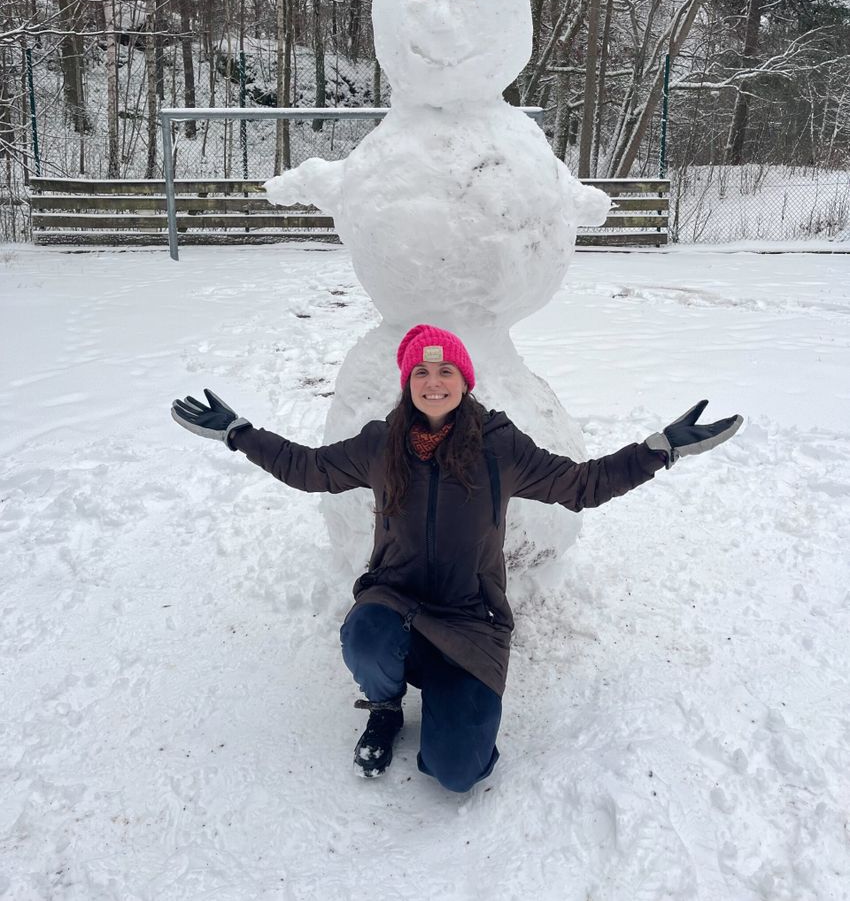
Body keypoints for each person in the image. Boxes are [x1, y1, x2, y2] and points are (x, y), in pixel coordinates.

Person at [171, 323, 742, 793]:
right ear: (408, 382)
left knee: (457, 772)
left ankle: (448, 689)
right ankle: (386, 706)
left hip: (471, 618)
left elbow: (581, 484)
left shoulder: (500, 446)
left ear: (464, 381)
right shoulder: (380, 443)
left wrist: (657, 451)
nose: (434, 381)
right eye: (422, 371)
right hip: (393, 600)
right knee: (365, 634)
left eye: (446, 371)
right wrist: (240, 434)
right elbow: (309, 468)